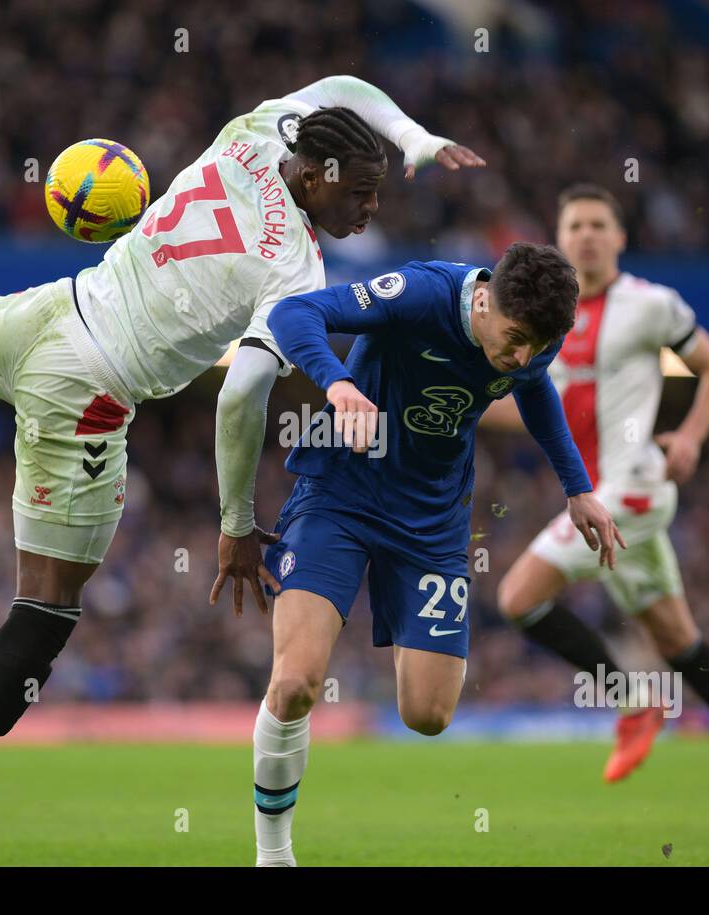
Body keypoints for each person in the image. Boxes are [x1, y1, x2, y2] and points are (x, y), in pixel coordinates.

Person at [0, 74, 484, 866]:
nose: (370, 209)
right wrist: (234, 524)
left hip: (50, 310)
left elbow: (339, 87)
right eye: (360, 192)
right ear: (316, 176)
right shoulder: (291, 270)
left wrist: (411, 138)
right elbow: (239, 401)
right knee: (46, 610)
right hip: (88, 390)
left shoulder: (256, 135)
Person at [251, 243, 622, 865]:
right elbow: (294, 316)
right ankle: (274, 855)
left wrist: (577, 487)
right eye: (516, 336)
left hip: (430, 523)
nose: (525, 353)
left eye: (540, 343)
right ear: (484, 301)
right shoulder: (420, 295)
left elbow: (533, 388)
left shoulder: (537, 334)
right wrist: (338, 382)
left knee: (427, 714)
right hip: (339, 496)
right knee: (295, 683)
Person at [488, 184, 709, 827]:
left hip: (629, 488)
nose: (586, 234)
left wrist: (690, 437)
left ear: (620, 237)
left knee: (518, 597)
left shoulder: (650, 304)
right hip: (602, 497)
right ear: (559, 236)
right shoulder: (547, 320)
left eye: (599, 224)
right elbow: (534, 414)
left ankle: (635, 700)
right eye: (574, 223)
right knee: (679, 640)